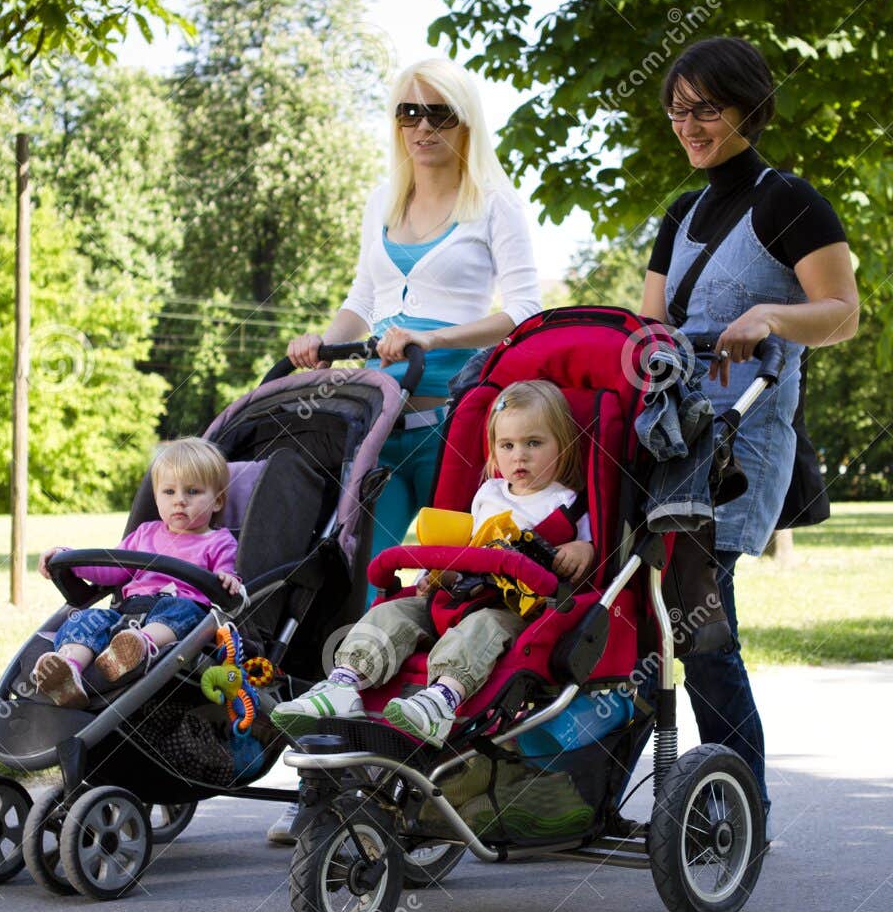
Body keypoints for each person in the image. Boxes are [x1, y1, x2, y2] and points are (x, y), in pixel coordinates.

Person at [271, 57, 541, 840]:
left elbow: (523, 310)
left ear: (465, 122)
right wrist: (325, 341)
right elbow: (365, 303)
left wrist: (433, 337)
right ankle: (335, 784)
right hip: (381, 421)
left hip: (459, 419)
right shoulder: (382, 202)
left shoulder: (493, 204)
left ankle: (431, 777)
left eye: (439, 114)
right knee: (374, 593)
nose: (422, 127)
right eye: (408, 114)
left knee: (446, 593)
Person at [639, 37, 861, 835]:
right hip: (666, 429)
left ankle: (741, 805)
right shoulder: (680, 210)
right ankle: (621, 785)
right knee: (635, 610)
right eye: (678, 109)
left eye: (707, 107)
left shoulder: (789, 200)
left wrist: (770, 314)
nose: (690, 124)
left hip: (741, 435)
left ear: (748, 107)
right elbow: (651, 324)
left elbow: (842, 311)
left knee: (700, 617)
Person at [272, 380, 593, 748]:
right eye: (507, 445)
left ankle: (442, 699)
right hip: (458, 593)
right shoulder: (488, 493)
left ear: (564, 444)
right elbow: (469, 547)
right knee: (392, 613)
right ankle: (345, 682)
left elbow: (586, 552)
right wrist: (439, 574)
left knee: (479, 629)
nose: (519, 456)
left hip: (513, 608)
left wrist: (583, 549)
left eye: (533, 443)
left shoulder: (567, 503)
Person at [30, 438, 243, 708]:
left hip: (177, 612)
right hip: (127, 612)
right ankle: (68, 666)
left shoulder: (219, 541)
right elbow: (108, 569)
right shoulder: (145, 534)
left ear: (217, 502)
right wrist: (68, 558)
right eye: (169, 492)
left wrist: (228, 579)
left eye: (192, 491)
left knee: (184, 612)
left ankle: (140, 646)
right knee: (87, 619)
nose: (179, 501)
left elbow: (228, 576)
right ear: (156, 497)